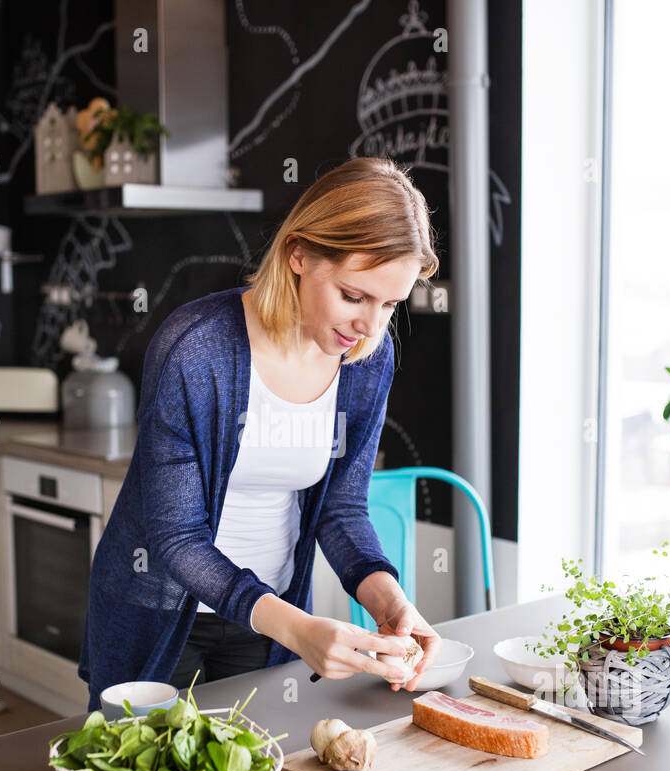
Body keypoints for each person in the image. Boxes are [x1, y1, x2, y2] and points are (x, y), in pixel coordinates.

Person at [78, 156, 443, 710]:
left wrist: (389, 601)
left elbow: (340, 510)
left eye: (390, 304)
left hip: (266, 618)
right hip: (163, 612)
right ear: (298, 254)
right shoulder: (196, 350)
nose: (371, 326)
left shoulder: (367, 358)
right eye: (354, 296)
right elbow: (175, 536)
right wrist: (297, 628)